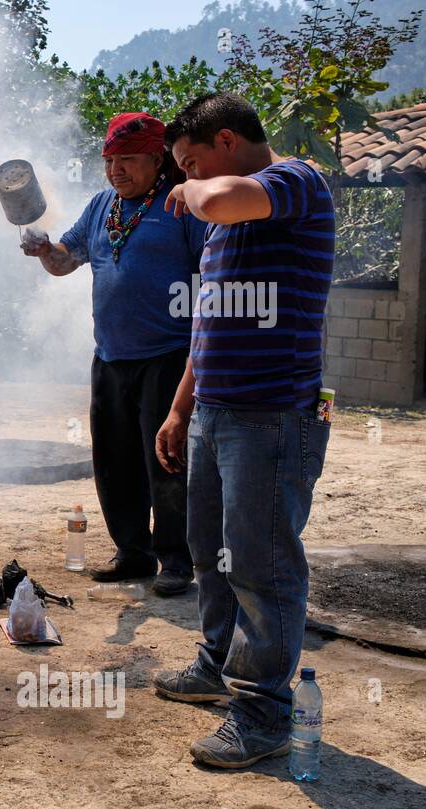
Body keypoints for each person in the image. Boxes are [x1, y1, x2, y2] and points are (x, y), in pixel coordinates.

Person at [153, 93, 335, 769]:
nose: (183, 180)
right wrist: (180, 409)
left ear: (226, 141)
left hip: (275, 414)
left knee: (261, 563)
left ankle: (263, 712)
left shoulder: (294, 181)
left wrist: (198, 187)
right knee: (210, 549)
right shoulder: (227, 225)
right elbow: (209, 326)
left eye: (190, 161)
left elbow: (223, 197)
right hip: (217, 410)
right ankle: (214, 664)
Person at [24, 112, 204, 596]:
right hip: (109, 356)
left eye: (128, 159)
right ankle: (133, 552)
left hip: (168, 354)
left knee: (166, 458)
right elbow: (66, 261)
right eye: (109, 160)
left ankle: (176, 560)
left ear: (156, 157)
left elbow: (210, 276)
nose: (115, 170)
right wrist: (44, 249)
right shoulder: (102, 206)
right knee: (114, 459)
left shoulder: (180, 205)